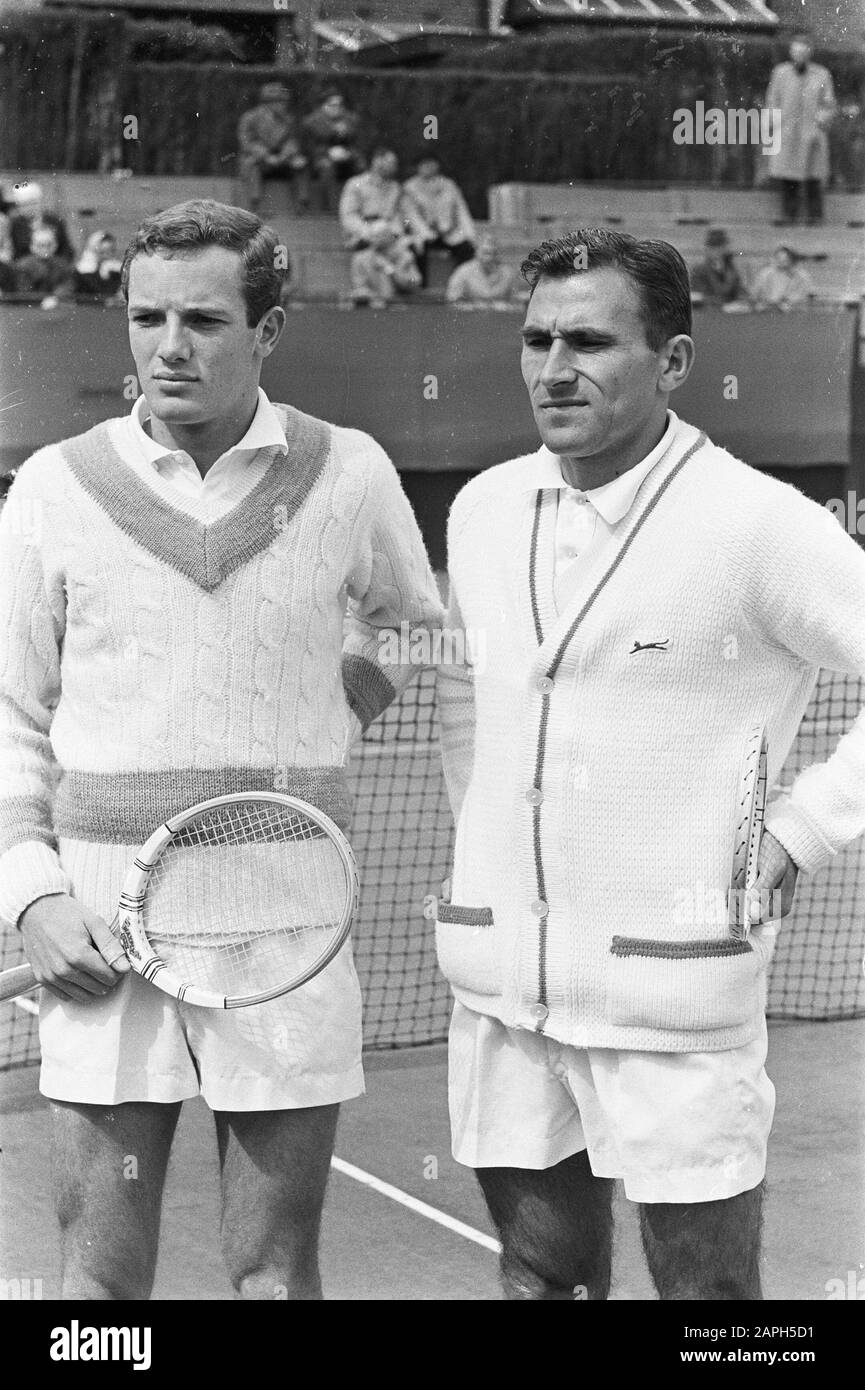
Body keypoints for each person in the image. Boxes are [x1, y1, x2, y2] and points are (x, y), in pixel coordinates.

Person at [0, 198, 444, 1300]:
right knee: (96, 1288)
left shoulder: (350, 472)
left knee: (273, 1272)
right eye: (147, 317)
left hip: (286, 929)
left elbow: (409, 620)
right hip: (102, 931)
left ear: (269, 330)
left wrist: (321, 727)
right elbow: (8, 709)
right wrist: (31, 898)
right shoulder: (54, 488)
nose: (168, 346)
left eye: (202, 318)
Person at [436, 227, 865, 1300]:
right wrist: (487, 866)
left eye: (588, 341)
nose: (552, 368)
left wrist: (799, 829)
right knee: (539, 1280)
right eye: (535, 339)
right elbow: (463, 697)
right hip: (500, 992)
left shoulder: (756, 522)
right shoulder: (482, 509)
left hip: (673, 997)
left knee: (710, 1310)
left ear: (673, 362)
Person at [765, 32, 836, 225]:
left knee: (813, 178)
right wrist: (774, 125)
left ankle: (815, 219)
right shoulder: (780, 73)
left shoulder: (821, 74)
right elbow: (772, 101)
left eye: (803, 51)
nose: (800, 55)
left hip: (811, 134)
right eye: (796, 51)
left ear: (810, 53)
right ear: (791, 52)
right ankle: (789, 217)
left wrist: (820, 122)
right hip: (787, 133)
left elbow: (828, 105)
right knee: (788, 179)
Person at [339, 148, 430, 265]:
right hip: (363, 233)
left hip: (390, 234)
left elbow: (409, 214)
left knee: (415, 246)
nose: (395, 167)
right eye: (391, 163)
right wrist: (368, 232)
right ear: (377, 162)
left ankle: (417, 283)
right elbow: (349, 216)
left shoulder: (396, 188)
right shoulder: (355, 184)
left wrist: (423, 233)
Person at [403, 154, 476, 286]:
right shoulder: (410, 187)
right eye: (424, 164)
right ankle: (421, 288)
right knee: (415, 249)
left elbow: (461, 210)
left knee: (467, 248)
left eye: (431, 163)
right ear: (418, 167)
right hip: (423, 234)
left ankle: (458, 286)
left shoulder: (449, 185)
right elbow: (411, 215)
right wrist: (427, 233)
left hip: (448, 233)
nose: (428, 167)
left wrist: (470, 234)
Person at [237, 82, 310, 214]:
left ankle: (302, 204)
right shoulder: (250, 118)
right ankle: (255, 205)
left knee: (301, 165)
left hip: (282, 159)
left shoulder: (288, 119)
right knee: (254, 168)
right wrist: (267, 156)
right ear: (269, 103)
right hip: (260, 159)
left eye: (284, 102)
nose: (284, 105)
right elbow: (247, 142)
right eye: (281, 102)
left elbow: (293, 141)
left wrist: (284, 156)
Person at [302, 89, 363, 214]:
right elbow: (309, 148)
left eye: (340, 105)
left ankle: (361, 206)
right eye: (333, 105)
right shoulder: (311, 122)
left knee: (361, 165)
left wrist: (347, 153)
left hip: (346, 157)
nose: (338, 108)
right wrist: (329, 152)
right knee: (327, 167)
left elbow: (357, 144)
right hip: (321, 158)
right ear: (324, 106)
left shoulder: (350, 120)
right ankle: (332, 209)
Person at [348, 223, 422, 308]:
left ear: (389, 236)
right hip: (372, 308)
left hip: (400, 307)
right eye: (372, 236)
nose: (373, 239)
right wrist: (376, 298)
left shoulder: (405, 256)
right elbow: (359, 286)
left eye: (378, 236)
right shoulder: (360, 258)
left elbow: (414, 283)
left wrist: (392, 271)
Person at [445, 235, 522, 309]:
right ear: (476, 252)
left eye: (493, 253)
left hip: (499, 318)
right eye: (485, 252)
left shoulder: (508, 273)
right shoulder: (462, 272)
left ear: (498, 255)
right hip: (470, 319)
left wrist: (506, 306)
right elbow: (451, 302)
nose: (489, 258)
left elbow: (517, 304)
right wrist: (473, 307)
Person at [9, 182, 75, 263]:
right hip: (26, 267)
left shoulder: (55, 221)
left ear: (40, 202)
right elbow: (14, 253)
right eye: (24, 205)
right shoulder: (15, 224)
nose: (29, 208)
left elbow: (66, 249)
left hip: (54, 266)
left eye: (32, 203)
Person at [14, 224, 75, 304]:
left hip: (57, 307)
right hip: (30, 310)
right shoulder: (22, 266)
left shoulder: (63, 264)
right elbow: (24, 292)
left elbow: (68, 285)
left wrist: (55, 298)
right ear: (32, 246)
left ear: (55, 245)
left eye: (49, 244)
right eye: (40, 245)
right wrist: (42, 300)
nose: (45, 249)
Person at [689, 228, 747, 308]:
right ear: (707, 250)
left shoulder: (730, 269)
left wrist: (743, 300)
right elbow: (699, 297)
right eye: (714, 248)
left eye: (721, 247)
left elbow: (739, 290)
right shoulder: (699, 270)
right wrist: (724, 304)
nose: (717, 251)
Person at [750, 244, 815, 311]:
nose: (781, 262)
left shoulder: (802, 276)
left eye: (786, 259)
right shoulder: (765, 273)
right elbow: (755, 294)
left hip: (792, 311)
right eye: (778, 258)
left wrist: (788, 303)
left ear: (792, 260)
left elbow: (804, 296)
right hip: (766, 310)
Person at [74, 231, 123, 301]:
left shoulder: (117, 270)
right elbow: (97, 293)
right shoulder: (83, 270)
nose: (107, 255)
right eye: (102, 252)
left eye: (111, 251)